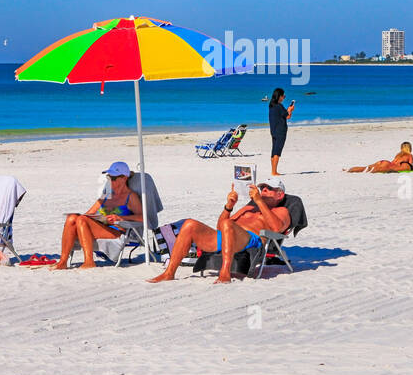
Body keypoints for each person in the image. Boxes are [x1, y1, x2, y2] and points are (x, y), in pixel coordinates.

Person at [150, 177, 292, 284]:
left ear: (280, 194)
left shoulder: (282, 211)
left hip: (250, 240)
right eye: (263, 188)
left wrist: (259, 201)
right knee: (189, 224)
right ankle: (169, 273)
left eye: (269, 188)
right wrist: (229, 206)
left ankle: (225, 272)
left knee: (228, 224)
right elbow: (220, 226)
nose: (264, 190)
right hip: (227, 235)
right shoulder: (249, 208)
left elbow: (276, 228)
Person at [52, 161, 144, 270]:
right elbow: (89, 213)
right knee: (72, 218)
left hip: (117, 231)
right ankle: (63, 262)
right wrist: (79, 216)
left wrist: (121, 218)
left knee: (81, 220)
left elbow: (142, 218)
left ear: (124, 178)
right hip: (101, 226)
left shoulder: (131, 197)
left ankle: (89, 261)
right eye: (109, 178)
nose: (110, 181)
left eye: (113, 178)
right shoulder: (107, 194)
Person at [268, 88, 295, 176]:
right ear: (279, 96)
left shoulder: (271, 105)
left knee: (274, 150)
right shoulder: (279, 106)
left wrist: (288, 111)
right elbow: (287, 116)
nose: (284, 97)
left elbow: (283, 115)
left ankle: (273, 170)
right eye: (283, 96)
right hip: (280, 131)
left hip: (273, 131)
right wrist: (290, 110)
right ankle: (274, 171)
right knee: (277, 151)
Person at [347, 142, 413, 173]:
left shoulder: (398, 154)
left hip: (384, 161)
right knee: (373, 170)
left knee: (366, 167)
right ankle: (369, 171)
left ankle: (349, 169)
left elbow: (393, 161)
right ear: (409, 148)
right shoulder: (410, 155)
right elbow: (411, 166)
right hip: (390, 165)